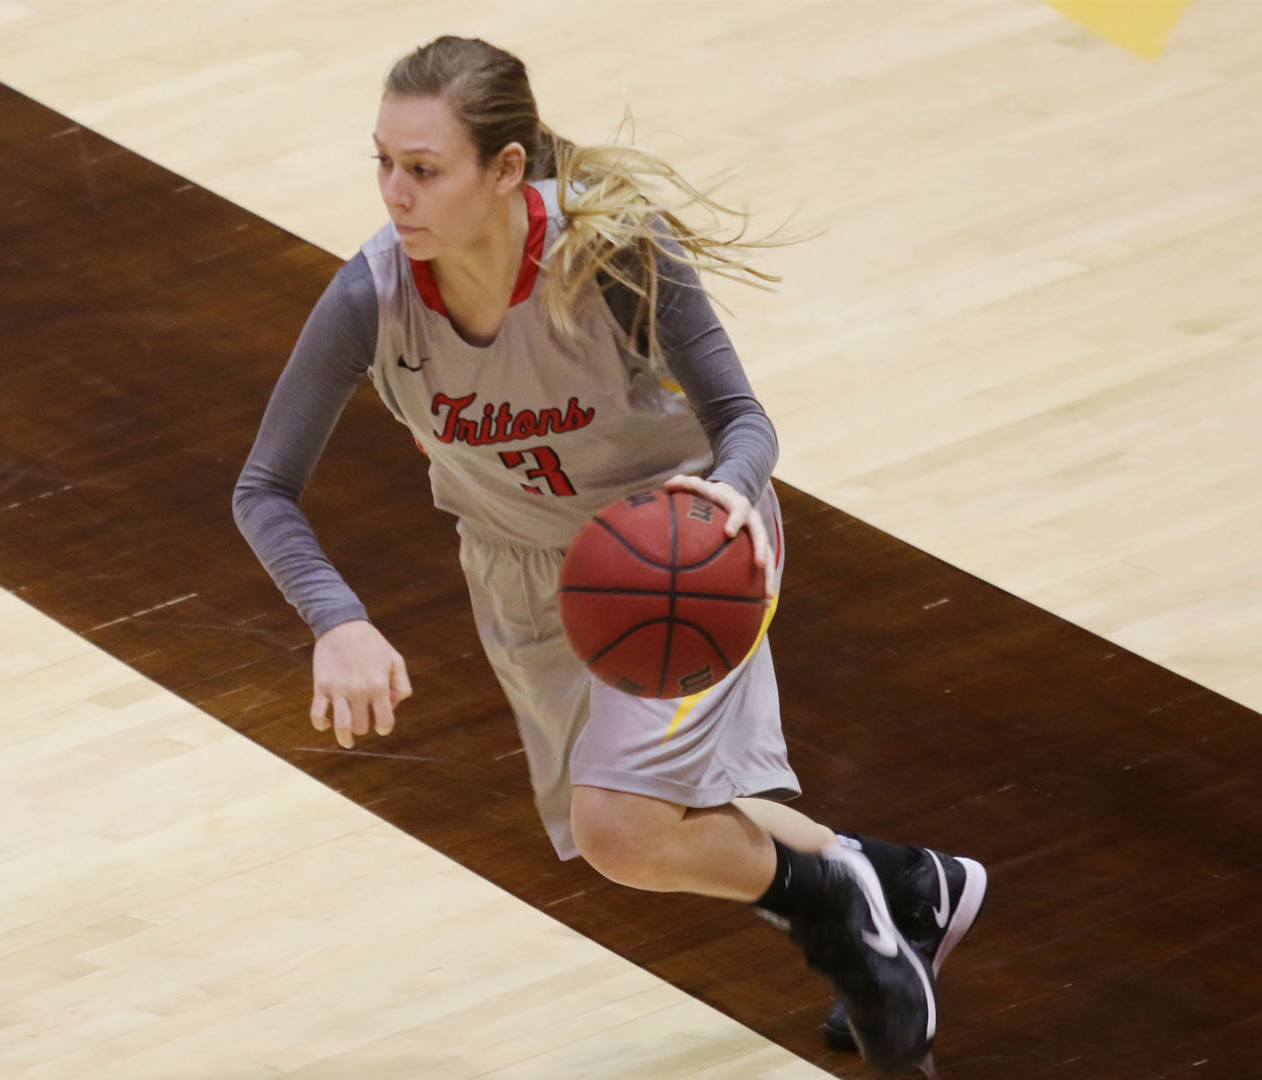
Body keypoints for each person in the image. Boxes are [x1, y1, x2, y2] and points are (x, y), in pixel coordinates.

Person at [232, 35, 987, 1071]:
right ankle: (900, 885)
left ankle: (845, 923)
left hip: (677, 551)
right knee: (658, 816)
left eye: (423, 169)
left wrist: (722, 497)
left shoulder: (612, 255)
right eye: (383, 164)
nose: (395, 195)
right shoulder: (372, 297)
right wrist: (339, 618)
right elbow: (262, 489)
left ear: (505, 170)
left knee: (623, 828)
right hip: (520, 569)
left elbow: (745, 423)